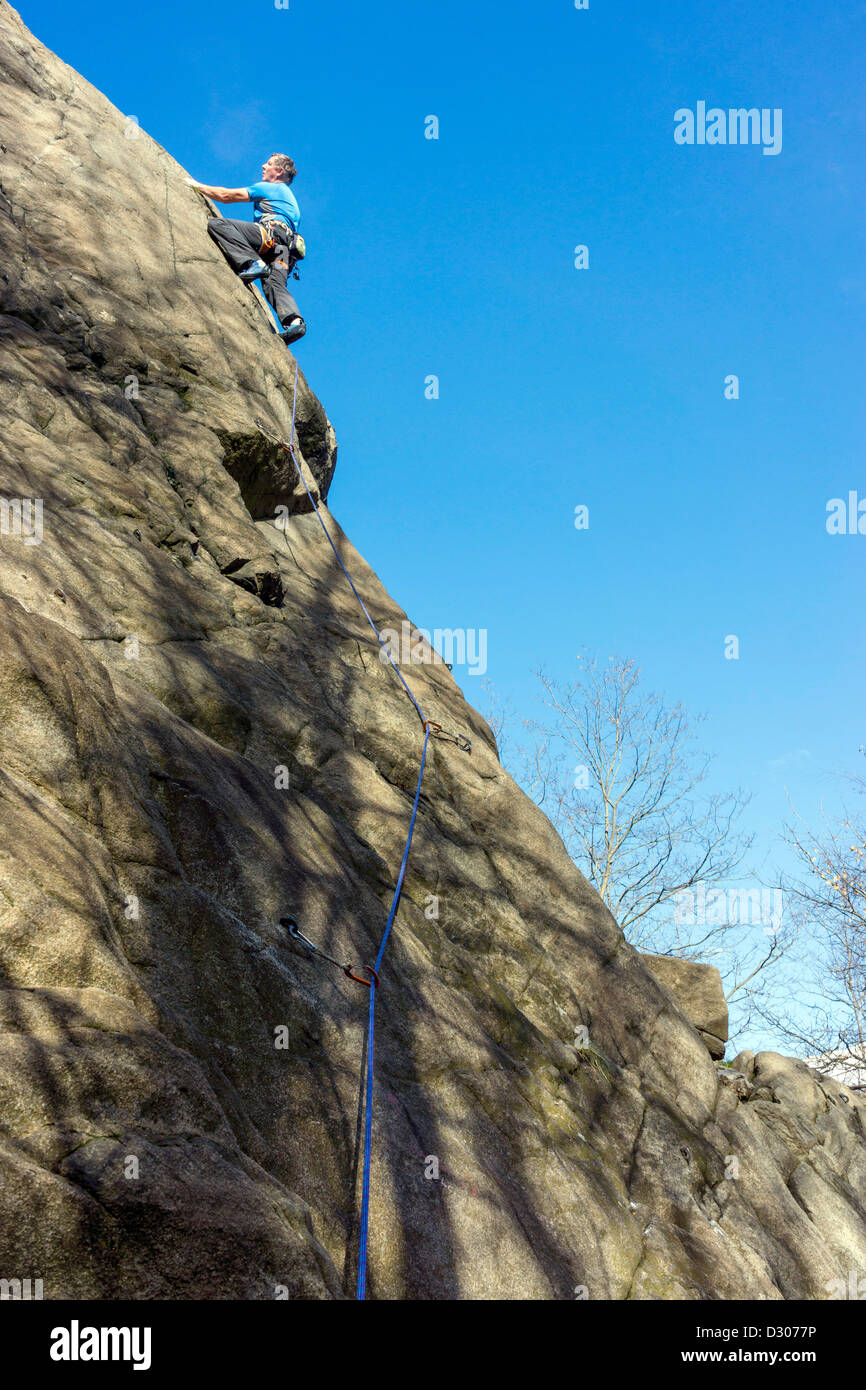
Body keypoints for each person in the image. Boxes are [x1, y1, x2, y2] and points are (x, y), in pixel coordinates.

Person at [185, 154, 306, 345]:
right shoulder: (291, 201)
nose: (263, 166)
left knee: (219, 225)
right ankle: (295, 323)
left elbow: (225, 196)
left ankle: (253, 262)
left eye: (269, 164)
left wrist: (195, 185)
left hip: (269, 235)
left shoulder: (271, 188)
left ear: (279, 171)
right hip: (284, 251)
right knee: (274, 284)